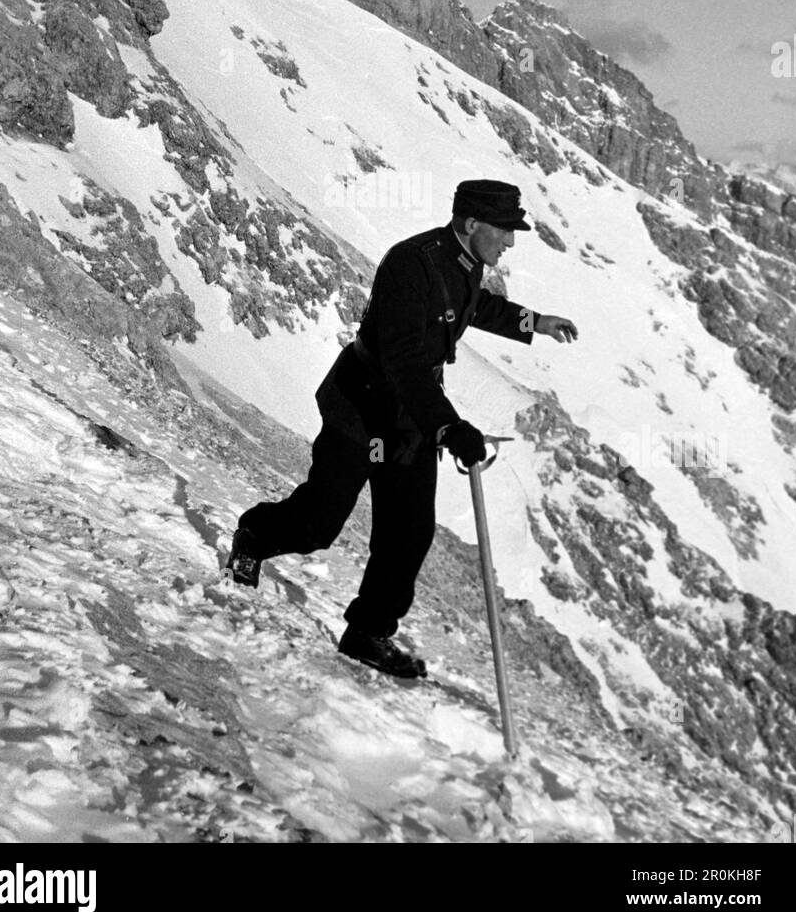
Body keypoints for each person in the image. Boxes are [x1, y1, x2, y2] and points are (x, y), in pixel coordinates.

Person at [225, 178, 578, 678]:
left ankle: (367, 631)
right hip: (366, 412)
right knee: (320, 523)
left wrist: (533, 323)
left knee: (408, 531)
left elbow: (470, 306)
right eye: (504, 230)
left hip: (410, 420)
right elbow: (403, 362)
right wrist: (450, 426)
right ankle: (256, 537)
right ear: (471, 223)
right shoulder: (410, 265)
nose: (511, 241)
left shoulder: (464, 261)